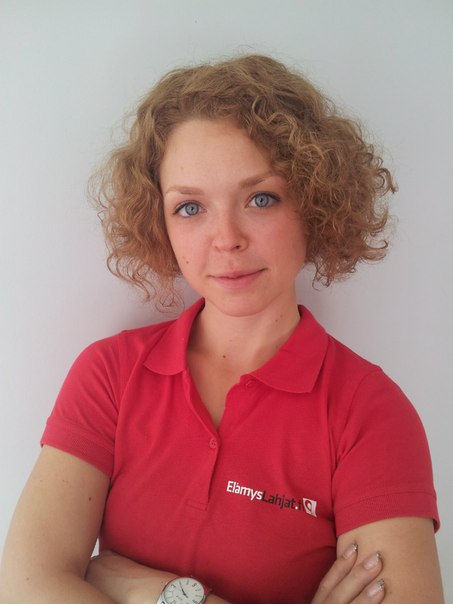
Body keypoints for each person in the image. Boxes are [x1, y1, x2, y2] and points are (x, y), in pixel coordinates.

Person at [0, 54, 444, 604]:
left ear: (315, 203)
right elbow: (25, 587)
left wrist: (153, 592)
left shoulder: (370, 413)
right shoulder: (110, 374)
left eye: (261, 198)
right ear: (159, 222)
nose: (227, 238)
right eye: (190, 208)